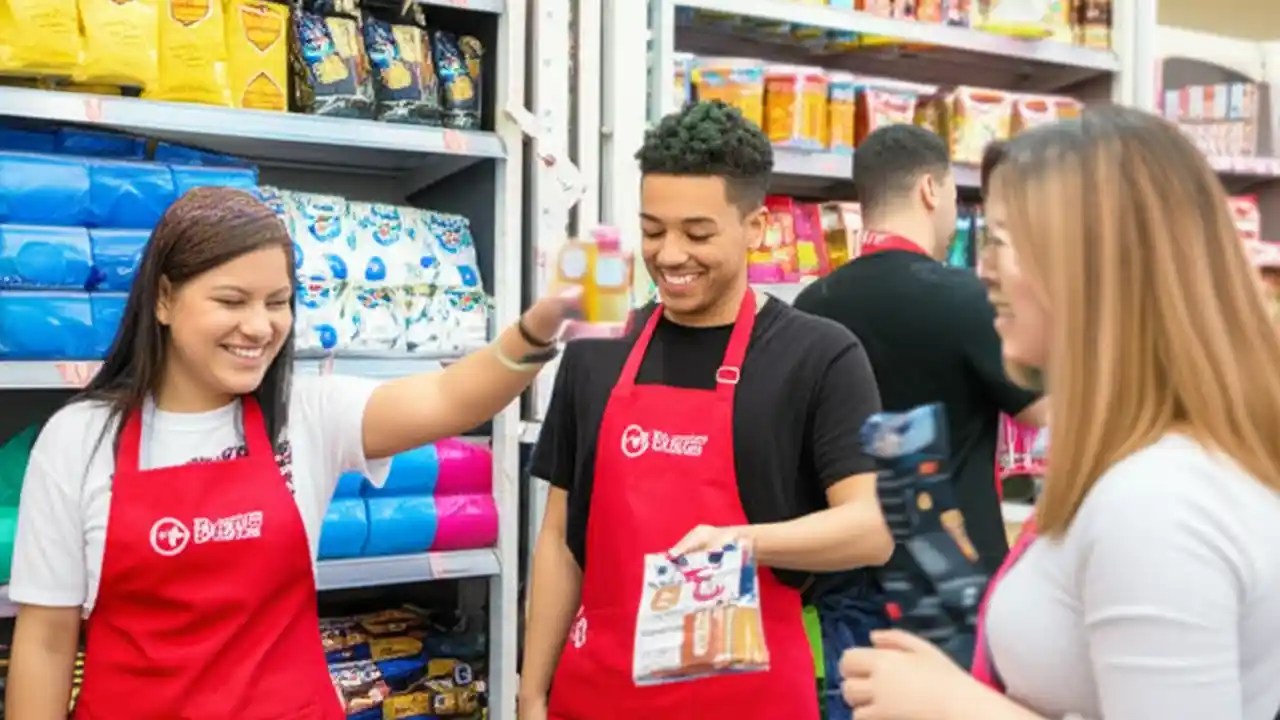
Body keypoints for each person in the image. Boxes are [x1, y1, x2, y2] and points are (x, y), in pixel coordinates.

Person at [6, 187, 577, 718]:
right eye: (231, 300)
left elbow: (450, 397)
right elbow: (47, 642)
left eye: (277, 302)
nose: (259, 326)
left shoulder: (304, 414)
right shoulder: (80, 439)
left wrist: (538, 329)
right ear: (163, 299)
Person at [839, 106, 1280, 719]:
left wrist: (956, 706)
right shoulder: (1145, 466)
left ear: (1093, 267)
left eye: (1002, 241)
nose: (982, 270)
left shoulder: (1156, 502)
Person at [519, 100, 893, 720]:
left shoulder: (819, 355)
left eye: (697, 234)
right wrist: (532, 693)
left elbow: (872, 530)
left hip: (749, 701)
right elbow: (561, 539)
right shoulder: (596, 350)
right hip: (597, 697)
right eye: (652, 230)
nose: (668, 256)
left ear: (756, 227)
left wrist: (742, 543)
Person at [795, 124, 1045, 577]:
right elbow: (1053, 414)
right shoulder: (969, 298)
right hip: (953, 576)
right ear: (930, 189)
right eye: (954, 192)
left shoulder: (812, 304)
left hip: (846, 573)